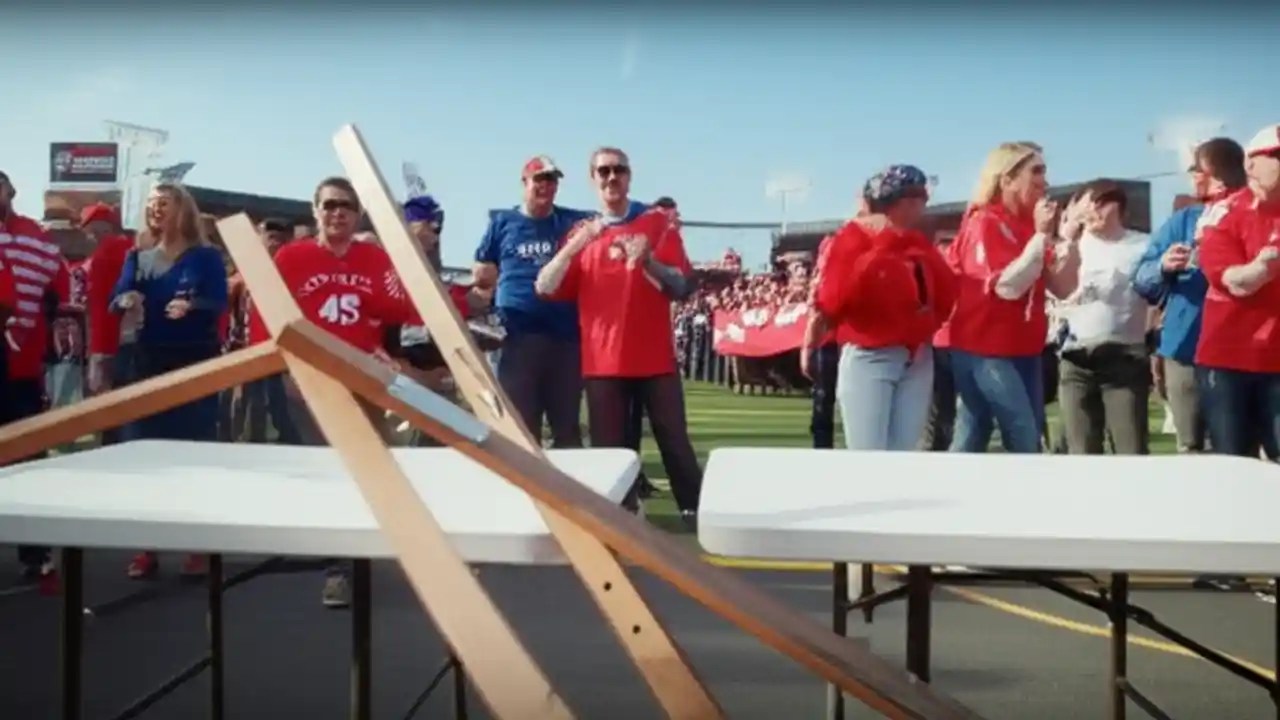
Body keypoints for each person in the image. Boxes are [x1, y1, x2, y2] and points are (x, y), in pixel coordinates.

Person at [245, 176, 422, 607]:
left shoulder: (374, 258)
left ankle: (360, 555)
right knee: (332, 471)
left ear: (358, 213)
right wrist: (280, 366)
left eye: (345, 205)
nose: (337, 212)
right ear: (315, 210)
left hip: (363, 375)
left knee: (368, 470)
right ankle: (338, 568)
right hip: (311, 377)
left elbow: (402, 307)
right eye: (329, 205)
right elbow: (265, 315)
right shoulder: (293, 256)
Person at [535, 147, 702, 525]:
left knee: (674, 441)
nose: (612, 178)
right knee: (610, 452)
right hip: (603, 363)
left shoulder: (657, 224)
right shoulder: (583, 234)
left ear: (630, 175)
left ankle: (695, 509)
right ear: (593, 179)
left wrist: (648, 261)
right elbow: (545, 287)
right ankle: (620, 517)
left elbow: (681, 287)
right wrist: (577, 245)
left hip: (655, 358)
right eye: (603, 171)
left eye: (619, 170)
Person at [110, 182, 229, 580]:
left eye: (164, 203)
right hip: (147, 363)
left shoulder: (206, 257)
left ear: (182, 209)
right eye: (151, 205)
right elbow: (118, 294)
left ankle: (197, 544)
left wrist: (191, 304)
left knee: (194, 453)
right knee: (146, 455)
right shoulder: (139, 256)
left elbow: (219, 300)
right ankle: (147, 546)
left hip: (195, 361)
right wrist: (127, 300)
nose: (156, 210)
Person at [943, 142, 1079, 453]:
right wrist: (1042, 236)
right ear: (1006, 179)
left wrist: (1068, 239)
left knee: (977, 429)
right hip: (985, 349)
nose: (1045, 181)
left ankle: (957, 489)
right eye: (1036, 171)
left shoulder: (1025, 227)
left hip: (1023, 347)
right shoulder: (984, 222)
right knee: (1022, 432)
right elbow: (1007, 287)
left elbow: (1063, 288)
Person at [813, 165, 956, 450]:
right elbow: (833, 300)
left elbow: (948, 292)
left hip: (916, 357)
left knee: (901, 456)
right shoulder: (851, 238)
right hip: (871, 354)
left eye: (921, 199)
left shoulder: (917, 243)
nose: (920, 206)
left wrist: (923, 326)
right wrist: (882, 245)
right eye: (913, 199)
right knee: (869, 455)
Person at [1131, 138, 1247, 453]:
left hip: (1242, 353)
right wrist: (1163, 266)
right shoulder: (1184, 221)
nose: (1194, 177)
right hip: (1185, 350)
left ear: (1224, 172)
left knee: (1236, 449)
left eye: (1201, 170)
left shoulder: (1251, 213)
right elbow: (1141, 279)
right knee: (1191, 449)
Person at [473, 156, 594, 449]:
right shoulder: (503, 221)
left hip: (564, 336)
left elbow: (607, 222)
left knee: (566, 427)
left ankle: (568, 493)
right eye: (539, 179)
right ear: (524, 183)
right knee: (522, 427)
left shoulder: (572, 221)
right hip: (517, 335)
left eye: (551, 180)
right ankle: (524, 492)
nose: (546, 186)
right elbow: (481, 270)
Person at [0, 169, 70, 581]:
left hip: (22, 364)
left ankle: (35, 550)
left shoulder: (35, 236)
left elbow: (59, 290)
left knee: (26, 455)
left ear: (11, 190)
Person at [1195, 123, 1280, 460]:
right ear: (1250, 164)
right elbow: (1232, 280)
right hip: (1228, 360)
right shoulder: (1224, 214)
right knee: (1233, 462)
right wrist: (1262, 268)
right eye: (1276, 155)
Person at [1054, 181, 1152, 455]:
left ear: (1118, 205)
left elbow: (1156, 294)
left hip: (1124, 357)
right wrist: (1067, 239)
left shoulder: (1142, 245)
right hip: (1076, 359)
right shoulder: (1073, 245)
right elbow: (1056, 289)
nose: (1092, 212)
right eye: (1086, 206)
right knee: (1081, 450)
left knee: (1130, 449)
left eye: (1099, 204)